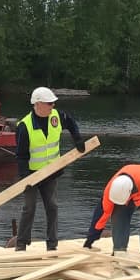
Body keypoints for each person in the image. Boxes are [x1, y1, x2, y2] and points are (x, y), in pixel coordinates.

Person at [15, 86, 84, 251]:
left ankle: (52, 244)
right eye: (49, 103)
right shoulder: (25, 126)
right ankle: (21, 244)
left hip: (51, 172)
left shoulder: (57, 117)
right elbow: (21, 155)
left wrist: (78, 139)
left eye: (53, 103)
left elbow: (72, 123)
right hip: (32, 173)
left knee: (52, 207)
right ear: (37, 104)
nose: (52, 106)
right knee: (29, 208)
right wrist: (25, 178)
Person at [83, 164, 140, 264]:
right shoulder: (110, 192)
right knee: (118, 214)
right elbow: (100, 217)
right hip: (127, 189)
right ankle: (119, 251)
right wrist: (91, 239)